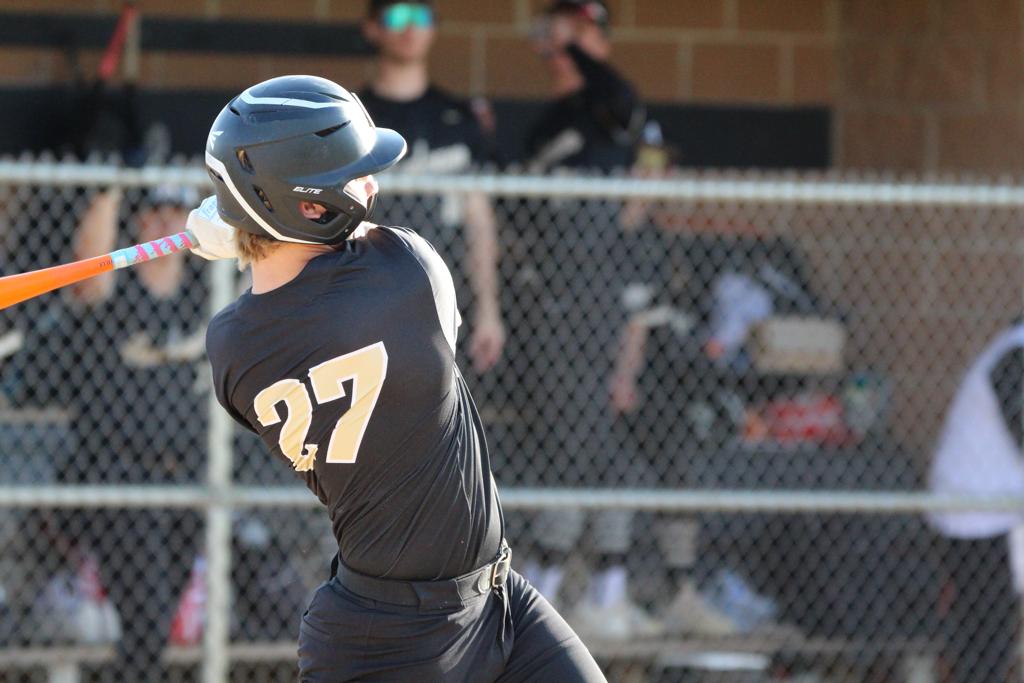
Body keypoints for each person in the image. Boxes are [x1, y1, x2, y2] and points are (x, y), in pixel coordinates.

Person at [191, 75, 606, 683]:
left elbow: (288, 288)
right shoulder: (409, 273)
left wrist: (247, 230)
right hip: (393, 646)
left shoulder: (230, 347)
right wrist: (242, 231)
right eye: (354, 178)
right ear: (308, 206)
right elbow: (355, 268)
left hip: (484, 605)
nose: (373, 187)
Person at [513, 0, 655, 640]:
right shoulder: (547, 123)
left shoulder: (612, 108)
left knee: (598, 446)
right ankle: (570, 590)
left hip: (606, 288)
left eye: (589, 31)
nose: (575, 40)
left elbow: (628, 113)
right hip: (550, 295)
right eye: (567, 27)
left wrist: (572, 45)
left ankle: (579, 591)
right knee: (571, 442)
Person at [59, 182, 207, 679]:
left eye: (176, 211)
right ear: (138, 222)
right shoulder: (116, 290)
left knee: (157, 620)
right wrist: (109, 186)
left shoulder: (202, 294)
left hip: (185, 476)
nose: (165, 222)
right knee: (147, 616)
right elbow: (87, 275)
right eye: (154, 211)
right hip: (116, 472)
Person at [359, 0, 505, 375]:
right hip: (368, 297)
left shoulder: (460, 119)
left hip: (448, 300)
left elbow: (479, 220)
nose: (410, 29)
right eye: (397, 16)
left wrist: (488, 309)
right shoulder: (352, 119)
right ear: (373, 28)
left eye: (421, 17)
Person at [928, 321, 1024, 683]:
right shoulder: (1015, 353)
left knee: (989, 627)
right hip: (975, 509)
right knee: (987, 630)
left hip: (1002, 509)